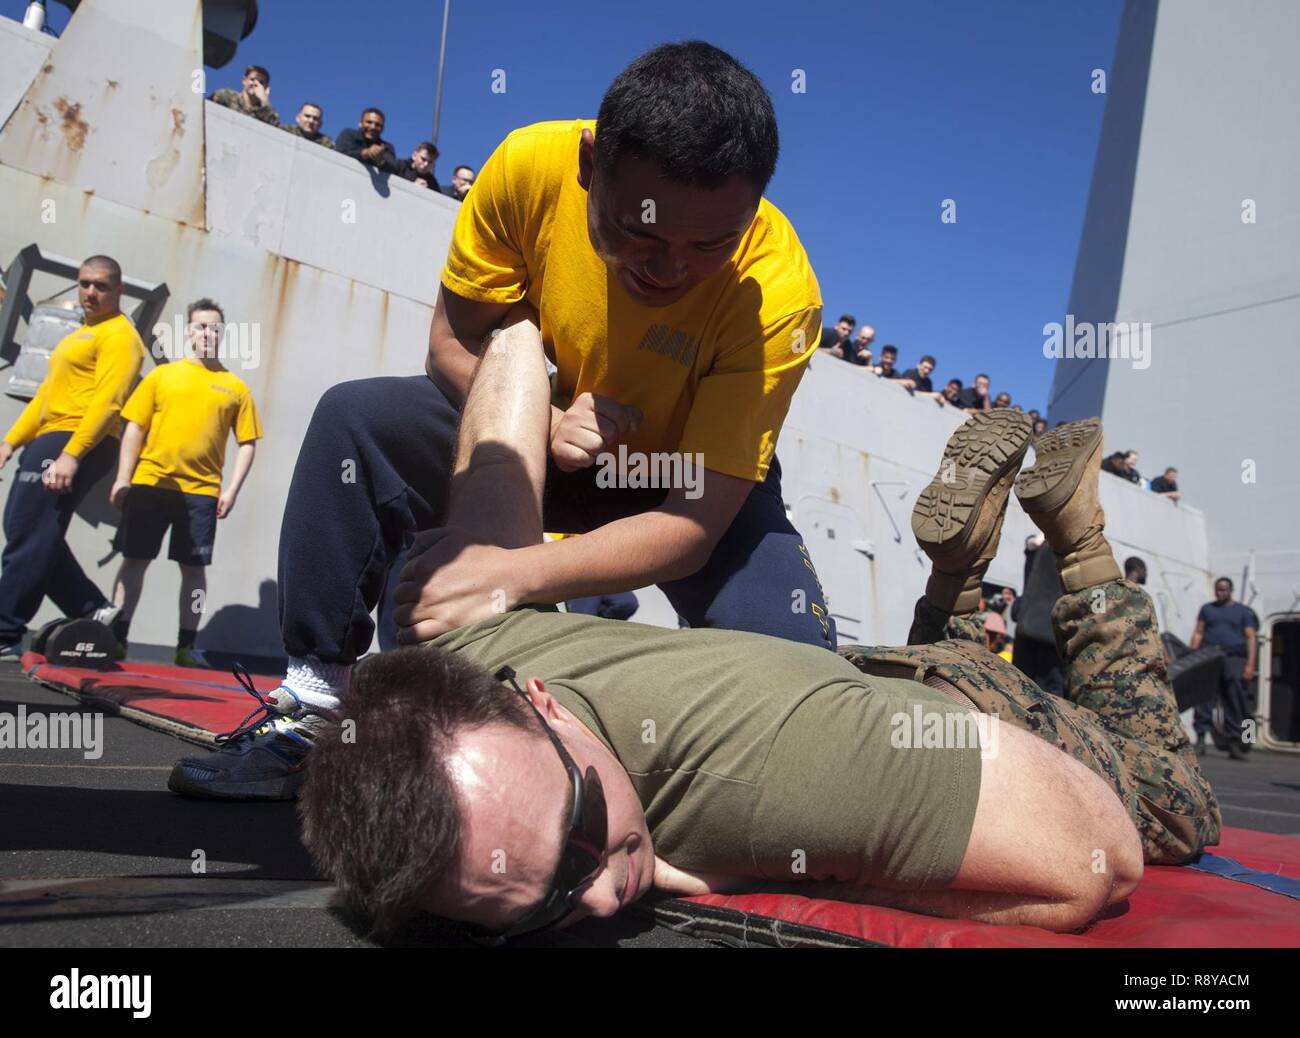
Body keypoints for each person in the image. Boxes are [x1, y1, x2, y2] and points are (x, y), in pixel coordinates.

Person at [295, 347, 1219, 940]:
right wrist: (547, 431)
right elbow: (509, 351)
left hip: (950, 727)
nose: (607, 894)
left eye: (579, 832)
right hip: (861, 694)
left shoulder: (772, 782)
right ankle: (956, 578)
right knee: (932, 689)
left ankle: (1080, 539)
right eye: (540, 909)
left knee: (1169, 803)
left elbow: (1098, 856)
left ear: (540, 706)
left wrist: (711, 873)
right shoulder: (460, 637)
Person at [167, 40, 837, 801]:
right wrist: (547, 427)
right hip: (538, 441)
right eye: (638, 231)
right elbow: (451, 345)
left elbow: (692, 526)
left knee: (799, 687)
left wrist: (509, 577)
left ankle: (674, 769)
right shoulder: (527, 168)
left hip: (678, 481)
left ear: (749, 212)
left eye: (707, 244)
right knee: (355, 420)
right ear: (590, 164)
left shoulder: (778, 292)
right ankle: (316, 709)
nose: (669, 268)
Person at [0, 256, 146, 659]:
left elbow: (110, 402)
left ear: (119, 291)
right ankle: (93, 610)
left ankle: (5, 631)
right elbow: (46, 396)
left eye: (100, 286)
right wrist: (10, 442)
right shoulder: (78, 336)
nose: (90, 293)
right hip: (51, 437)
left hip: (80, 439)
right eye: (84, 284)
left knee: (29, 532)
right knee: (28, 530)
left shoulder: (121, 336)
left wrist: (72, 455)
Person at [105, 299, 262, 666]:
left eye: (213, 328)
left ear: (223, 335)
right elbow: (134, 429)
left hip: (201, 493)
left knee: (194, 570)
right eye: (200, 326)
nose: (206, 333)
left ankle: (185, 647)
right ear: (189, 332)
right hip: (149, 485)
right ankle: (116, 639)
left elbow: (248, 443)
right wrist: (123, 479)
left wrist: (232, 490)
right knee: (134, 559)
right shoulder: (162, 377)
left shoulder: (235, 388)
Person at [1189, 577, 1258, 759]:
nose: (1220, 593)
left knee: (1235, 700)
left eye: (1224, 590)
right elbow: (1198, 632)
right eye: (1218, 590)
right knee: (1203, 699)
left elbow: (1251, 638)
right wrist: (1191, 658)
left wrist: (1250, 665)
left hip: (1234, 658)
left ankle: (1235, 743)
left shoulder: (1243, 612)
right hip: (1209, 657)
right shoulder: (1207, 609)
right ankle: (1201, 740)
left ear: (1231, 590)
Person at [211, 65, 280, 127]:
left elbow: (274, 127)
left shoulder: (264, 112)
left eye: (261, 82)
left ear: (266, 88)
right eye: (252, 79)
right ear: (244, 81)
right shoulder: (227, 96)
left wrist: (264, 100)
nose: (255, 83)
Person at [335, 108, 399, 174]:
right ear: (360, 123)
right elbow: (340, 153)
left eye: (378, 125)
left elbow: (394, 169)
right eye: (369, 122)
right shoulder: (348, 134)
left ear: (382, 128)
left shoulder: (386, 147)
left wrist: (380, 161)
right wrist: (366, 153)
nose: (373, 127)